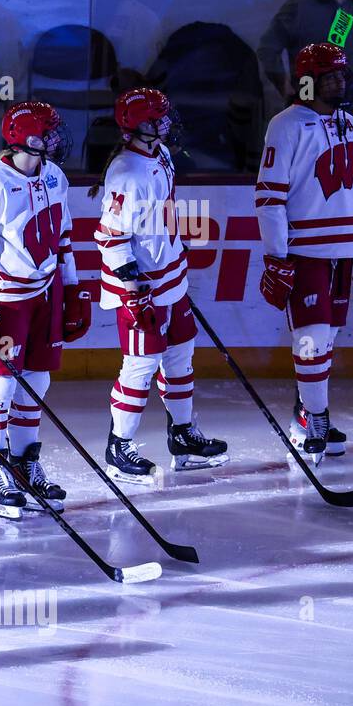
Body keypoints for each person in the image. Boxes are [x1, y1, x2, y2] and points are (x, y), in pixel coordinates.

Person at [0, 102, 90, 520]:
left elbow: (64, 237)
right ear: (25, 138)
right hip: (7, 300)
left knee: (38, 381)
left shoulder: (54, 175)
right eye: (46, 134)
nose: (55, 139)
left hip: (45, 295)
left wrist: (73, 289)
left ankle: (24, 461)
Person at [89, 88, 228, 482]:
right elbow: (110, 237)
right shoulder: (126, 172)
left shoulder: (162, 155)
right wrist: (133, 289)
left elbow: (165, 213)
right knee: (141, 364)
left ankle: (183, 437)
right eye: (157, 119)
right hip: (142, 287)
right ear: (137, 125)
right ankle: (119, 445)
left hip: (170, 279)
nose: (166, 124)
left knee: (181, 355)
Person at [255, 43, 353, 463]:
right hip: (307, 252)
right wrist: (277, 256)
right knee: (311, 339)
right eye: (330, 76)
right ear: (308, 81)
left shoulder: (351, 123)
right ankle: (315, 419)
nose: (340, 82)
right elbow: (269, 196)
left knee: (328, 337)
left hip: (345, 249)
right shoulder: (285, 125)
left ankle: (307, 412)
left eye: (341, 75)